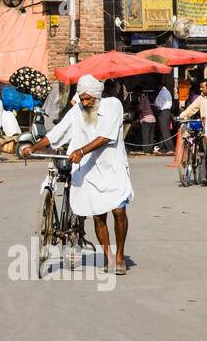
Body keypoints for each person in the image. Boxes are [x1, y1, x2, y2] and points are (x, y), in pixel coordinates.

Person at [22, 75, 133, 275]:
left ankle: (119, 257)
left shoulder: (113, 105)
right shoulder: (77, 111)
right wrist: (33, 147)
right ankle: (108, 257)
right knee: (99, 216)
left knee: (119, 212)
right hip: (89, 171)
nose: (84, 102)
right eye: (82, 99)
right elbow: (56, 133)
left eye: (88, 99)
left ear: (97, 96)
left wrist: (81, 151)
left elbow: (107, 136)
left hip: (113, 167)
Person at [154, 83, 174, 153]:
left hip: (163, 112)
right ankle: (162, 147)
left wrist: (155, 105)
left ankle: (170, 148)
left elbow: (157, 103)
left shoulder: (162, 92)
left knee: (165, 131)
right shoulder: (167, 92)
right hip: (167, 112)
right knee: (163, 130)